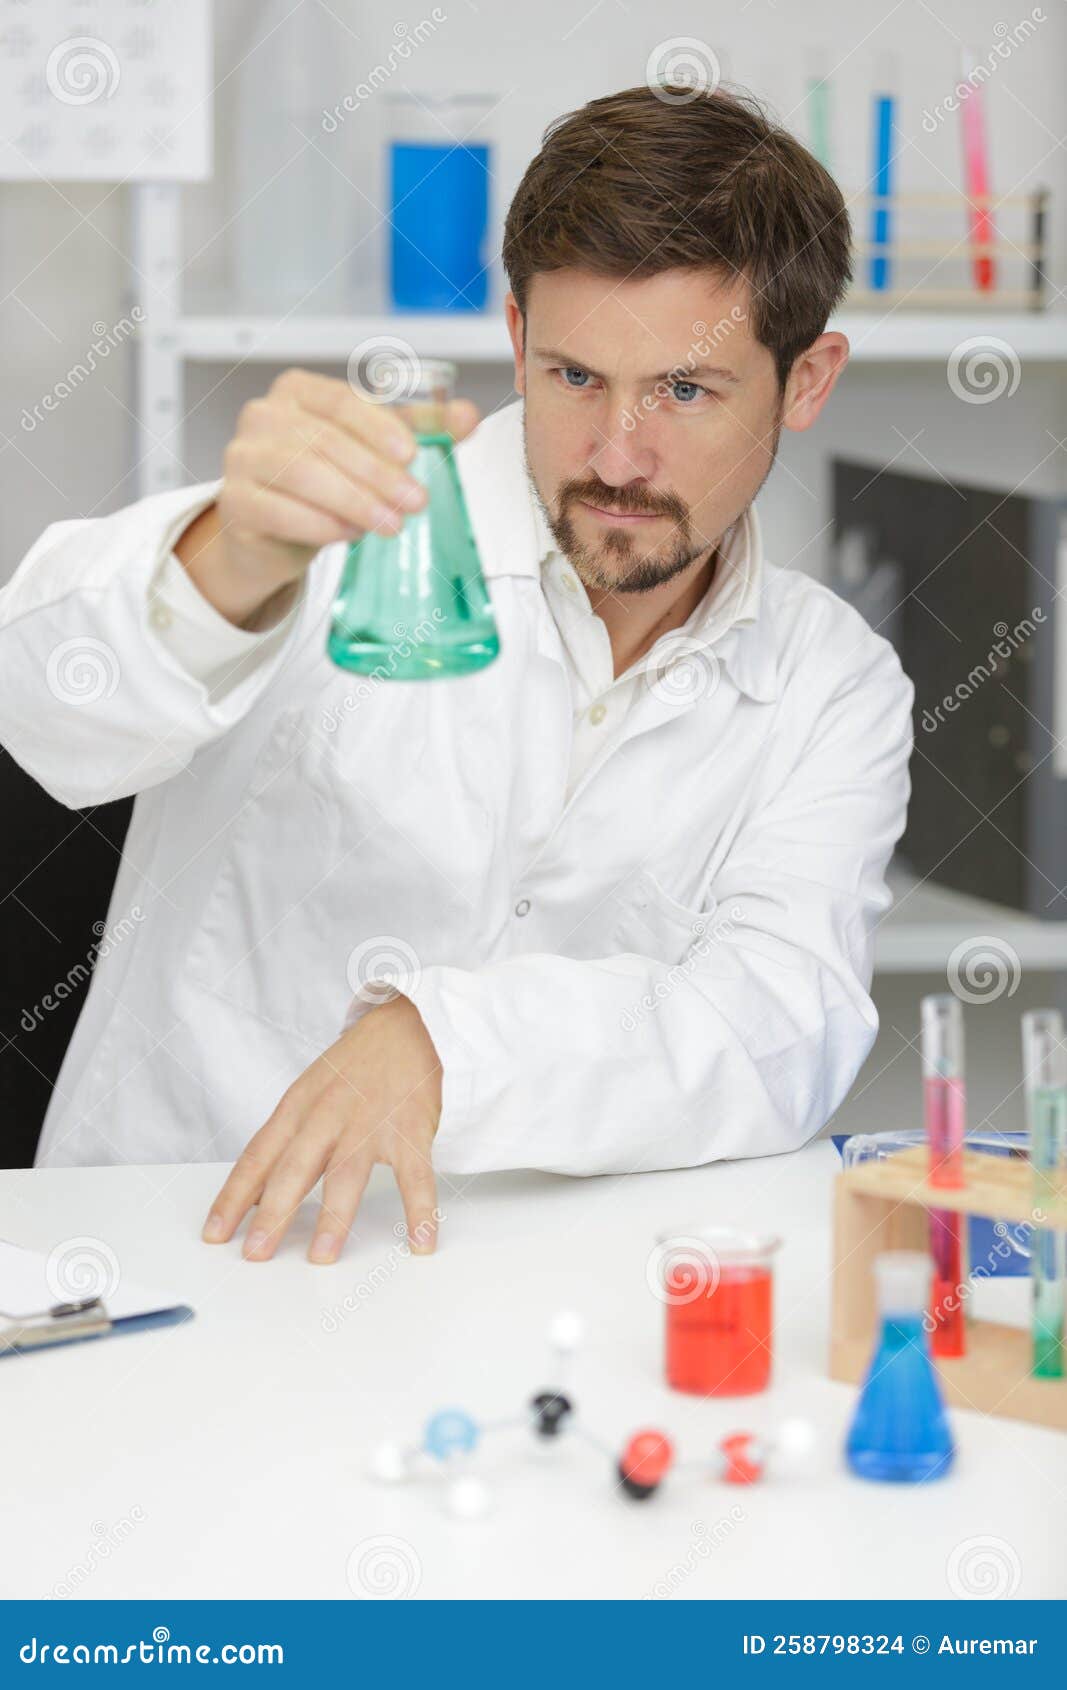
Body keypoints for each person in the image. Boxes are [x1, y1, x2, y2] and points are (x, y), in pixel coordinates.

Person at [0, 83, 913, 1264]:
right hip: (178, 1251)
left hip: (520, 1291)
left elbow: (776, 1026)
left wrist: (442, 1040)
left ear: (805, 380)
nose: (615, 456)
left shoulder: (831, 685)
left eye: (683, 391)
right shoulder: (350, 527)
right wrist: (223, 559)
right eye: (576, 376)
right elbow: (41, 710)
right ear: (519, 340)